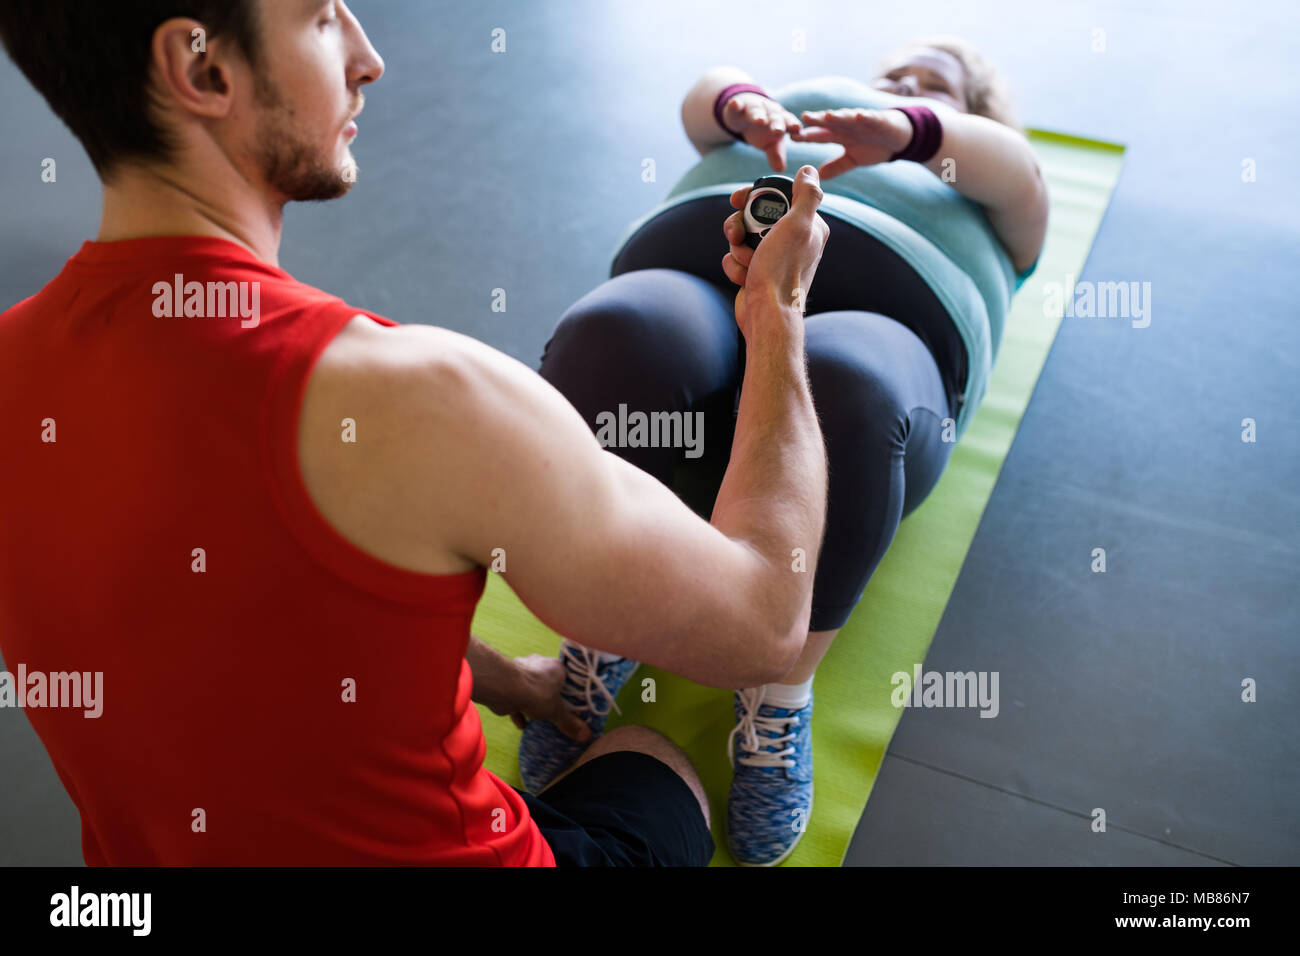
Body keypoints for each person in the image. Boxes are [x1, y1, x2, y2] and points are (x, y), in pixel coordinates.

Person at [0, 1, 830, 867]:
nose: (369, 57)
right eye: (322, 19)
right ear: (203, 71)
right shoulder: (421, 399)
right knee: (654, 768)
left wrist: (511, 681)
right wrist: (777, 316)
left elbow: (221, 593)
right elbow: (764, 623)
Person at [521, 38, 1049, 866]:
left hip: (890, 309)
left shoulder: (974, 173)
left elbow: (1020, 174)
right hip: (701, 263)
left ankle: (777, 694)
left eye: (934, 88)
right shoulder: (806, 105)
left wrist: (912, 128)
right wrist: (742, 106)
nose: (902, 87)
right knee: (619, 335)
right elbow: (702, 98)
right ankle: (600, 628)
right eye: (894, 77)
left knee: (850, 388)